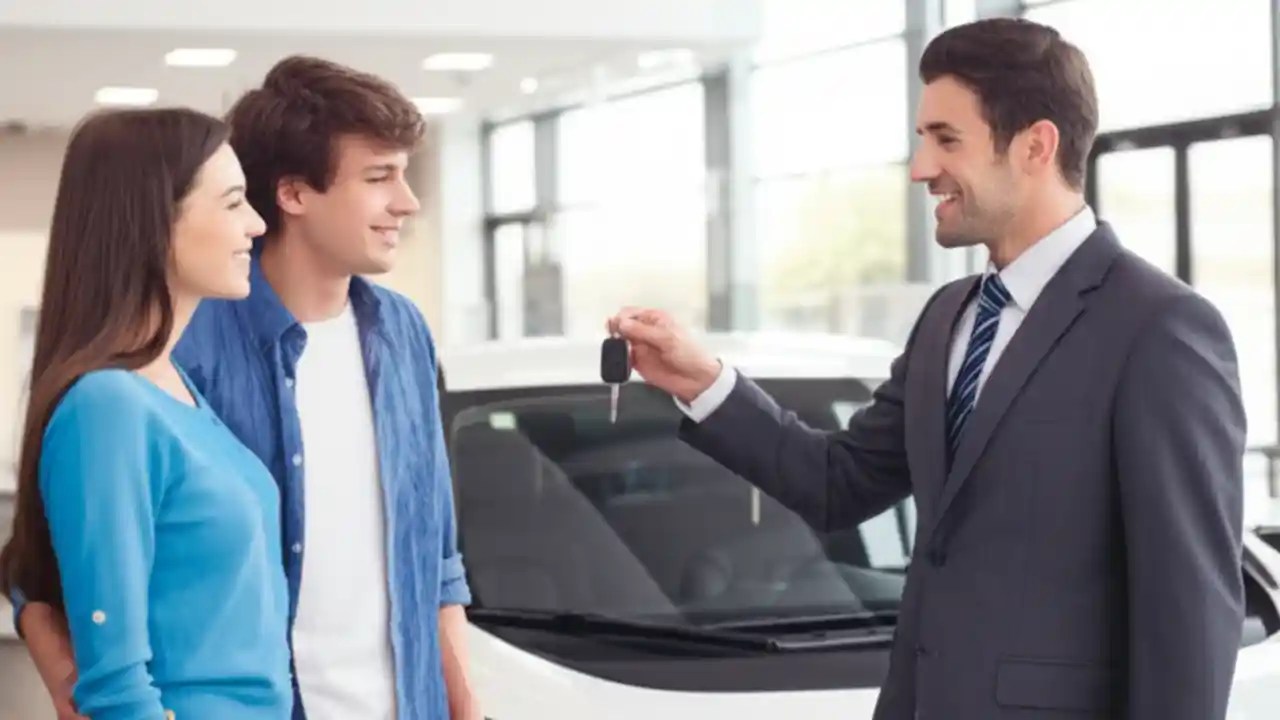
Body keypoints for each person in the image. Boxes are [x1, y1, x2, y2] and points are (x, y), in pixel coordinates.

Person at [610, 17, 1245, 720]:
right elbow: (838, 483)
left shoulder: (1158, 329)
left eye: (947, 140)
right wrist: (701, 381)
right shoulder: (948, 316)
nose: (920, 168)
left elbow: (1188, 620)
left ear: (1036, 146)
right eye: (922, 140)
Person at [11, 56, 479, 720]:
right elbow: (53, 574)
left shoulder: (402, 333)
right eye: (379, 177)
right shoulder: (168, 357)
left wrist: (465, 707)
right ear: (293, 194)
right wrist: (95, 696)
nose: (408, 201)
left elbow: (435, 560)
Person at [0, 108, 290, 719]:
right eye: (233, 202)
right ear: (156, 220)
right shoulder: (108, 407)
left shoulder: (175, 388)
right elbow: (117, 688)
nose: (257, 223)